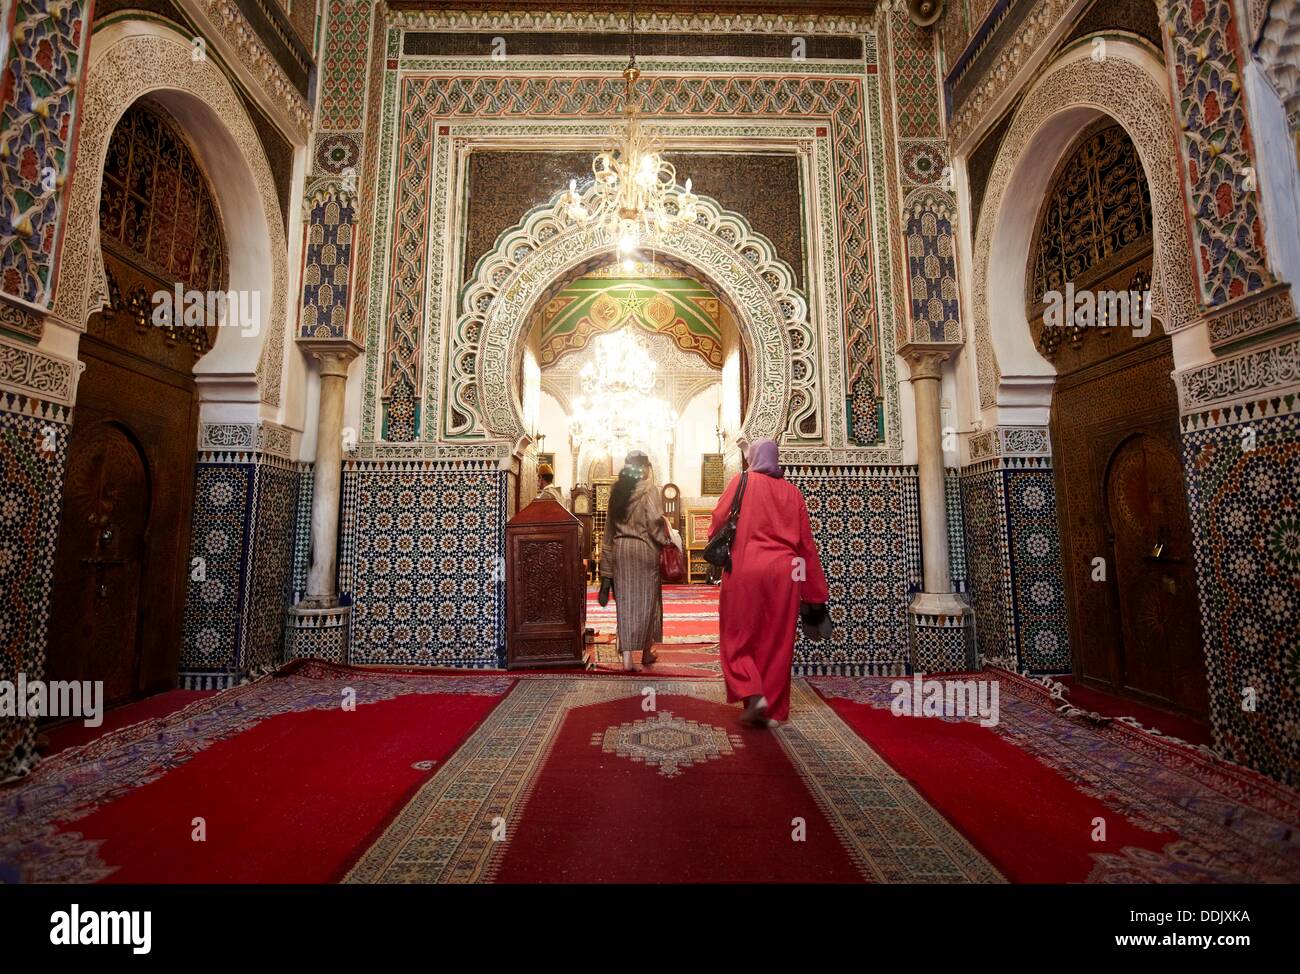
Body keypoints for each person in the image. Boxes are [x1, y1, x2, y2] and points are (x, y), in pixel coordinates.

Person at [709, 437, 828, 728]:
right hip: (786, 575)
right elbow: (806, 546)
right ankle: (773, 712)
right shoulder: (793, 493)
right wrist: (815, 593)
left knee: (738, 636)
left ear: (754, 459)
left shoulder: (742, 481)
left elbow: (717, 521)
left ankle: (751, 691)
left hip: (745, 570)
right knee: (777, 642)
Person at [599, 451, 670, 670]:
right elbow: (654, 523)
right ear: (645, 468)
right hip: (644, 550)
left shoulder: (617, 491)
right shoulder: (649, 489)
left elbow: (608, 533)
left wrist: (606, 573)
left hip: (621, 551)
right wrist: (668, 540)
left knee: (626, 603)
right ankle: (646, 652)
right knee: (648, 604)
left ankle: (628, 658)